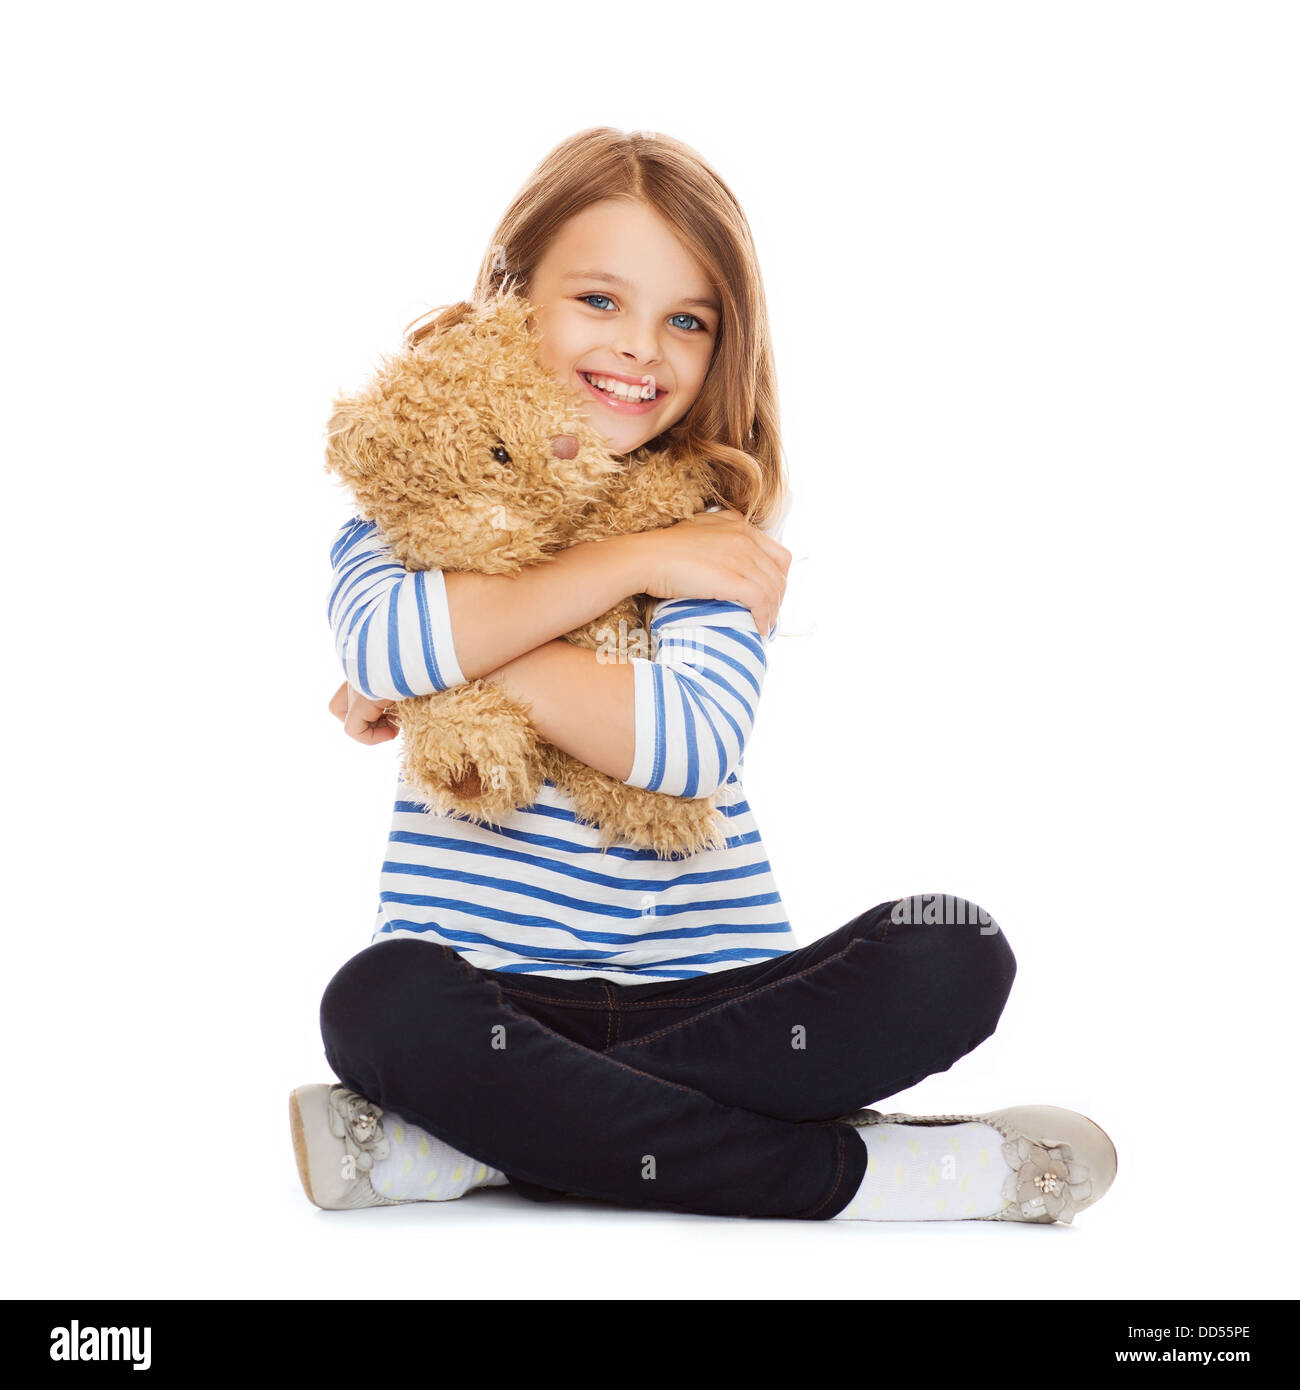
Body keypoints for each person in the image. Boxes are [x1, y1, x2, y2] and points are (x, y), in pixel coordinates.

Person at [290, 127, 1117, 1223]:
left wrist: (452, 663)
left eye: (688, 320)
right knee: (376, 1000)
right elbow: (383, 648)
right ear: (512, 294)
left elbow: (684, 747)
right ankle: (861, 1178)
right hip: (491, 1006)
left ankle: (475, 1148)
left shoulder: (713, 541)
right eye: (599, 299)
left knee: (952, 943)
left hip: (719, 1004)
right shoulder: (403, 517)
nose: (641, 349)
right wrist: (629, 564)